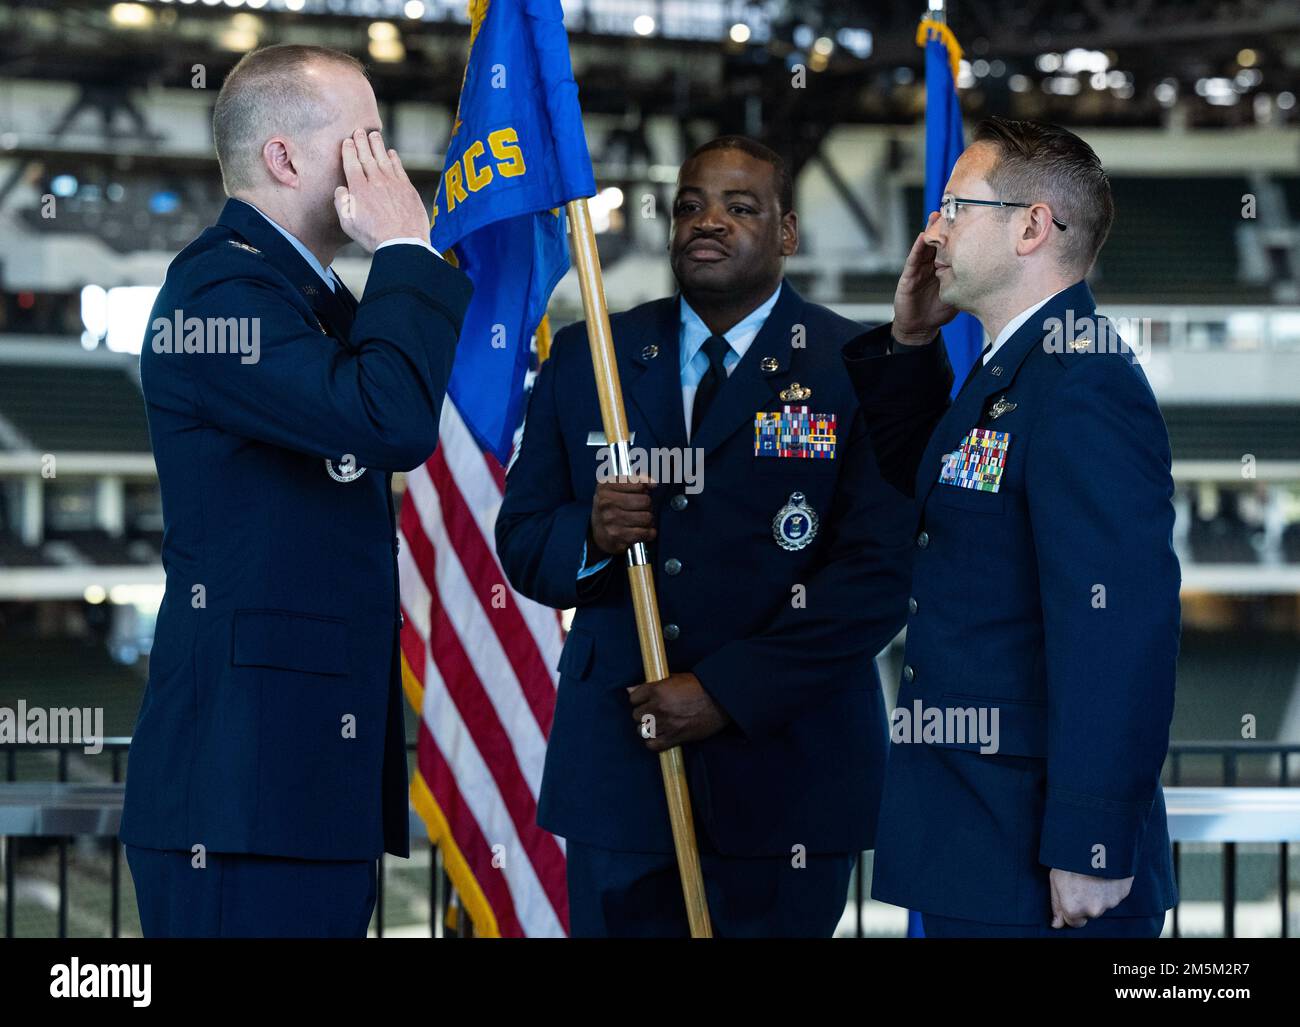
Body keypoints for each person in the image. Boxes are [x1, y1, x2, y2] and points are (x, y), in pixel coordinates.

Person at [495, 136, 914, 937]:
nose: (708, 221)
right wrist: (588, 535)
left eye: (739, 207)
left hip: (790, 774)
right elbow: (520, 536)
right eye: (690, 205)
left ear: (788, 232)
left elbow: (878, 578)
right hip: (620, 776)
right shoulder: (592, 357)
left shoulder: (860, 365)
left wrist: (724, 692)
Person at [118, 44, 472, 937]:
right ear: (284, 159)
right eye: (366, 143)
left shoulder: (299, 295)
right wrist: (402, 245)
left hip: (297, 790)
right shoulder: (220, 292)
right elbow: (389, 416)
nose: (386, 169)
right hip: (244, 798)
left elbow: (406, 382)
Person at [842, 117, 1180, 937]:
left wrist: (1094, 841)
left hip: (1039, 860)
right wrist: (913, 341)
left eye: (955, 206)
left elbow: (1120, 628)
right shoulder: (1015, 370)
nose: (934, 229)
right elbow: (940, 494)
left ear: (1031, 227)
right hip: (976, 840)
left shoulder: (1083, 383)